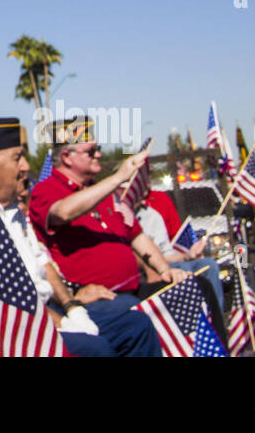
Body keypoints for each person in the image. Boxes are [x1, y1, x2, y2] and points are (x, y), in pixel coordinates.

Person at [0, 117, 160, 358]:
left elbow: (42, 263)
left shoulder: (10, 207)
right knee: (94, 349)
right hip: (19, 326)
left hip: (53, 309)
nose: (25, 166)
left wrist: (72, 308)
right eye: (17, 158)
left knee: (136, 326)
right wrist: (58, 320)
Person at [30, 117, 188, 298]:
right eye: (91, 151)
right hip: (98, 299)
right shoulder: (45, 190)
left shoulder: (102, 191)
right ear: (67, 157)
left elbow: (136, 235)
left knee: (195, 284)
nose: (98, 155)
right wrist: (118, 177)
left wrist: (165, 271)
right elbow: (63, 212)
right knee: (136, 318)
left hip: (133, 289)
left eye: (98, 149)